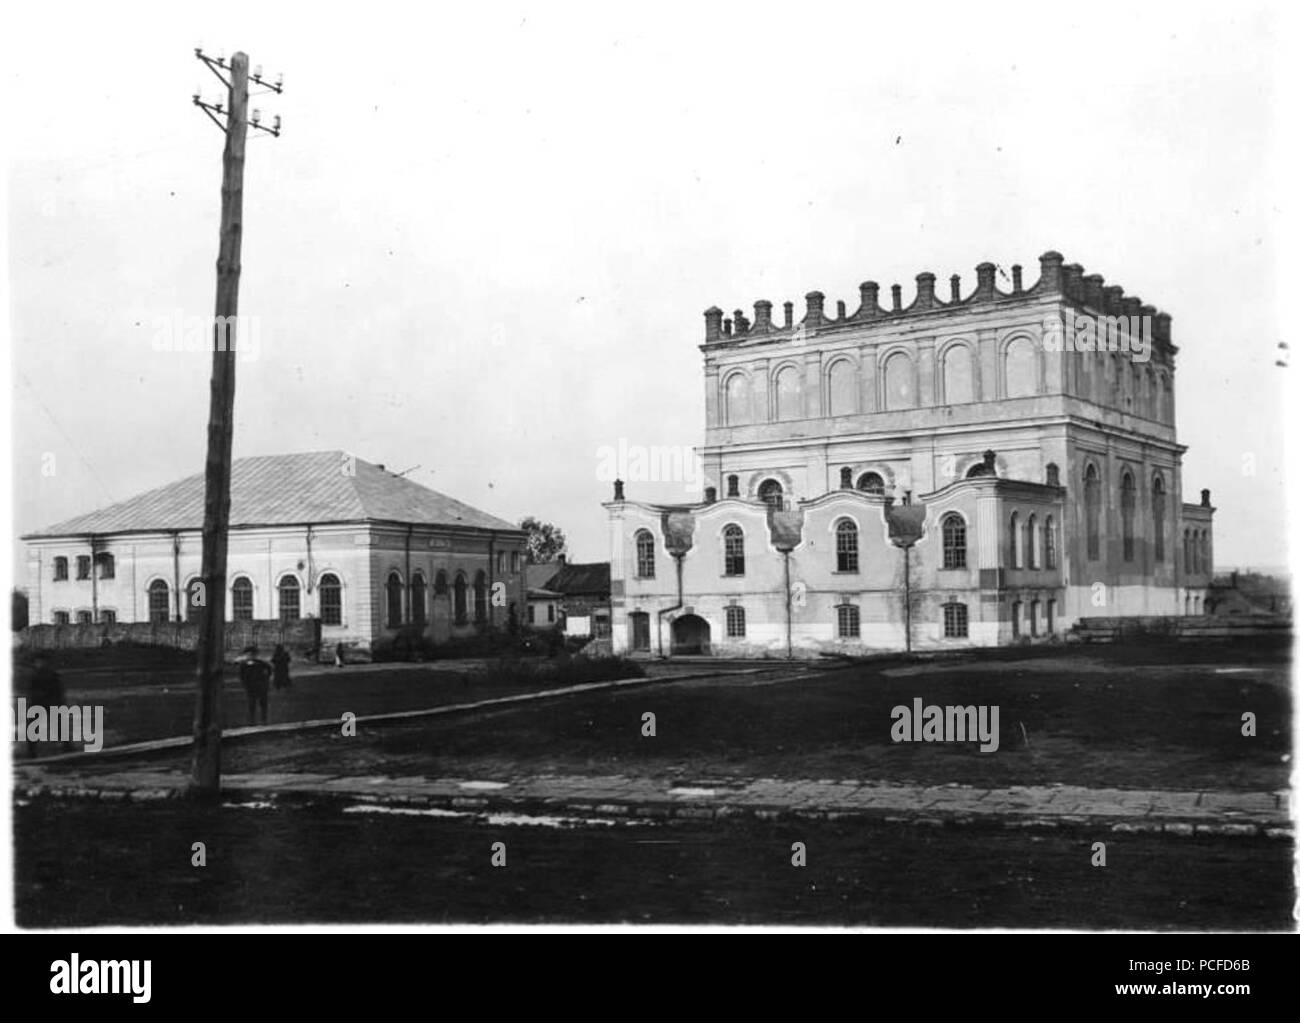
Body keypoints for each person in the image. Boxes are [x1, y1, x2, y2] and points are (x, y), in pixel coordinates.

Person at [238, 647, 272, 725]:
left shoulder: (261, 663)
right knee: (251, 704)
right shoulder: (244, 665)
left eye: (252, 654)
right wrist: (245, 684)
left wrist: (265, 678)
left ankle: (263, 720)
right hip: (250, 687)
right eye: (248, 655)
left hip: (261, 687)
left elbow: (269, 670)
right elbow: (242, 676)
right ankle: (252, 720)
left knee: (263, 704)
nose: (250, 656)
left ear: (255, 655)